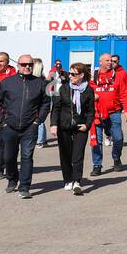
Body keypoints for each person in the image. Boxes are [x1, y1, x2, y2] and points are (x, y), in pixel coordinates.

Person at [0, 54, 50, 199]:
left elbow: (46, 103)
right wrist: (2, 121)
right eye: (24, 64)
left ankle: (24, 187)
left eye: (30, 64)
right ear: (18, 65)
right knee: (9, 157)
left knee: (27, 156)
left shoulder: (41, 83)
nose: (27, 67)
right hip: (9, 126)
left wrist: (38, 121)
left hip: (29, 127)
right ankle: (12, 180)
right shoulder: (7, 82)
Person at [51, 62, 94, 194]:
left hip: (80, 126)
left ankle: (77, 182)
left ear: (81, 75)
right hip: (64, 125)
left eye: (73, 74)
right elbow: (56, 108)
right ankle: (68, 179)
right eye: (70, 73)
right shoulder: (63, 88)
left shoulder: (88, 90)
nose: (70, 76)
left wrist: (87, 125)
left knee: (78, 155)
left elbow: (91, 111)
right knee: (65, 154)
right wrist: (53, 125)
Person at [90, 53, 127, 176]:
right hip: (96, 113)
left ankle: (116, 158)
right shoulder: (93, 76)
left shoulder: (118, 75)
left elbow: (124, 93)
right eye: (107, 60)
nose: (110, 62)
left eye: (111, 60)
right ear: (100, 62)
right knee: (97, 140)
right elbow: (84, 91)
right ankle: (97, 165)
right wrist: (92, 97)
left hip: (114, 112)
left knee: (118, 138)